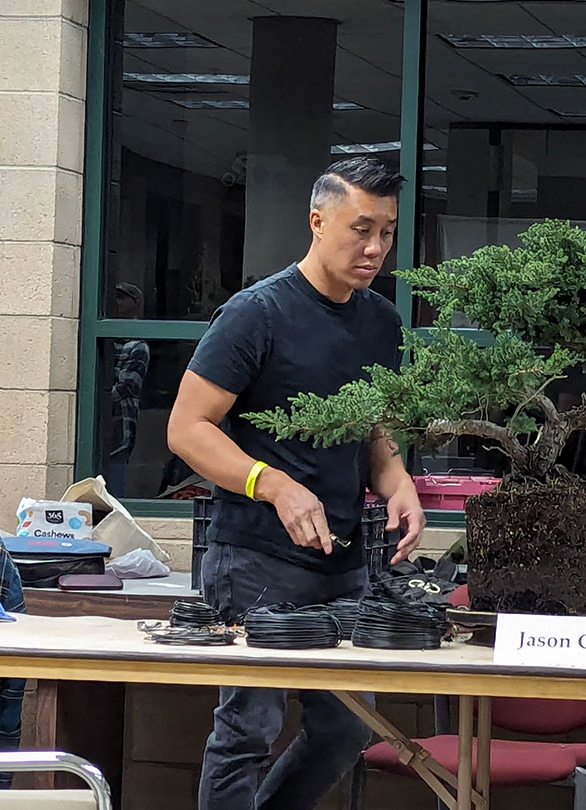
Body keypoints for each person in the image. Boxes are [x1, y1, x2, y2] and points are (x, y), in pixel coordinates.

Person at [167, 157, 426, 810]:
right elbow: (186, 429)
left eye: (388, 233)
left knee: (345, 729)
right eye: (360, 229)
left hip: (342, 561)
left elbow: (376, 434)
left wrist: (398, 482)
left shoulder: (383, 323)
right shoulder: (256, 313)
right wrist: (271, 483)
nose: (375, 248)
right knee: (247, 729)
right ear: (317, 221)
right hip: (255, 557)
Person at [108, 282, 150, 497]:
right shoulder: (109, 337)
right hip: (99, 424)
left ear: (136, 303)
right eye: (115, 297)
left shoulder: (137, 344)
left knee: (115, 482)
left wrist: (102, 398)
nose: (118, 302)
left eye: (123, 297)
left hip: (120, 423)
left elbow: (128, 385)